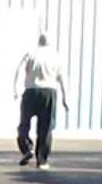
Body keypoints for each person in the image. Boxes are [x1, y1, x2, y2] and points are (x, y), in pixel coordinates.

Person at [13, 33, 71, 168]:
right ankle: (42, 160)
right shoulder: (56, 56)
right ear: (50, 43)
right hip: (48, 92)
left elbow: (19, 70)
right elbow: (62, 79)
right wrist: (65, 98)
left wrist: (16, 89)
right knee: (45, 127)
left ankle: (27, 148)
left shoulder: (31, 54)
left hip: (31, 91)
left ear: (39, 42)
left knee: (24, 123)